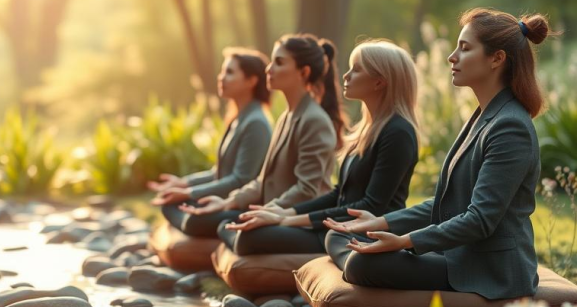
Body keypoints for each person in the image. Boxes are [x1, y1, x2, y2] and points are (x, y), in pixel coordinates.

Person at [324, 9, 551, 299]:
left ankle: (359, 269)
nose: (451, 56)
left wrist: (404, 242)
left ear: (497, 59)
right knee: (341, 235)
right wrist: (379, 223)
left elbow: (480, 218)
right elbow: (447, 202)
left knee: (361, 262)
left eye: (465, 48)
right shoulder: (485, 115)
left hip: (488, 270)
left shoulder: (510, 127)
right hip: (457, 255)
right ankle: (362, 264)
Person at [223, 40, 420, 256]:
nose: (346, 76)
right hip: (336, 226)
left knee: (248, 237)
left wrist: (287, 219)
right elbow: (339, 194)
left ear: (379, 82)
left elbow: (370, 207)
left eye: (356, 69)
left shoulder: (398, 132)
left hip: (362, 233)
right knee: (235, 228)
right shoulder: (366, 130)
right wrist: (285, 212)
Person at [180, 33, 344, 247]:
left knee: (232, 232)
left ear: (303, 72)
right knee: (221, 224)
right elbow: (262, 180)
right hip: (272, 210)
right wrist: (227, 202)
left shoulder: (314, 120)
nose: (269, 69)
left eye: (279, 62)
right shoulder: (287, 116)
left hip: (297, 219)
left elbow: (307, 190)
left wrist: (268, 211)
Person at [149, 48, 272, 231]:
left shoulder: (256, 124)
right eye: (222, 71)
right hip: (221, 199)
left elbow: (240, 180)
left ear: (251, 81)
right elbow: (220, 172)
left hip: (239, 205)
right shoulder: (239, 118)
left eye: (229, 72)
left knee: (190, 218)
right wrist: (183, 183)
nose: (221, 77)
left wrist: (187, 193)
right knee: (169, 205)